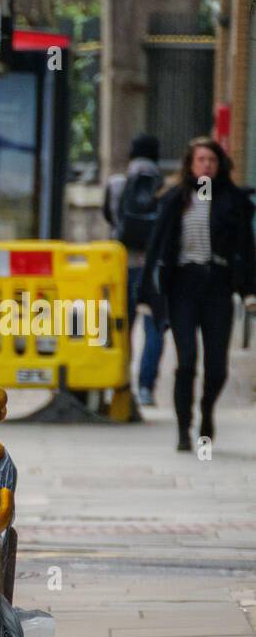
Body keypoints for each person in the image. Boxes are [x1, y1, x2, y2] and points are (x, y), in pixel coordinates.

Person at [142, 136, 256, 451]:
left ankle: (206, 410)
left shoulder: (232, 201)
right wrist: (147, 294)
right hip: (183, 285)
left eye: (212, 160)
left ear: (220, 165)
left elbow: (246, 248)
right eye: (200, 160)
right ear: (190, 165)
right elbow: (157, 247)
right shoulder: (176, 199)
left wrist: (248, 289)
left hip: (217, 284)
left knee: (217, 366)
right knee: (187, 360)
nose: (206, 165)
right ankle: (183, 430)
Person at [104, 133, 165, 405]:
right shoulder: (165, 186)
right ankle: (146, 388)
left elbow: (110, 216)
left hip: (121, 265)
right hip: (153, 268)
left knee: (120, 327)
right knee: (154, 327)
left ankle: (120, 383)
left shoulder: (117, 183)